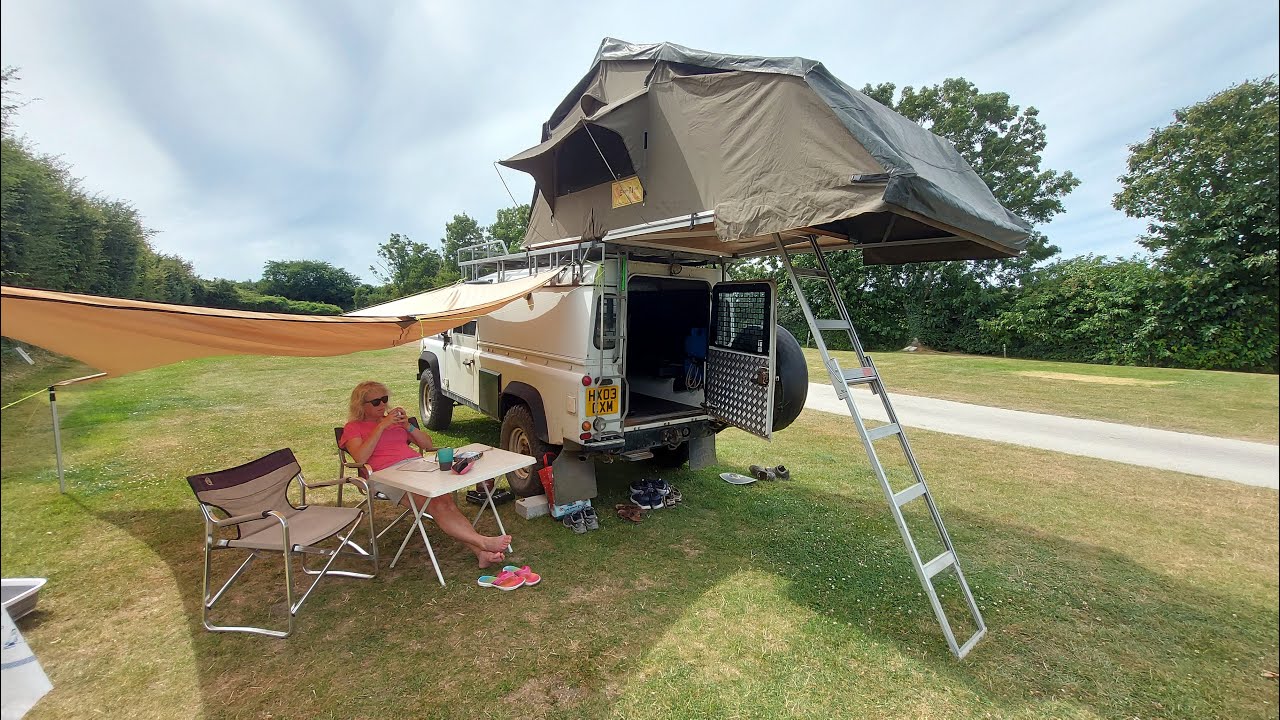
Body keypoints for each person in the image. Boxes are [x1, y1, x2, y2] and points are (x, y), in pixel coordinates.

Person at [339, 381, 511, 568]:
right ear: (361, 406)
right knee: (436, 504)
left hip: (415, 467)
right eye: (376, 402)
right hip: (384, 475)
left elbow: (428, 445)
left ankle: (481, 553)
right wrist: (380, 427)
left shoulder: (395, 423)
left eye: (384, 399)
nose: (382, 405)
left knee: (445, 502)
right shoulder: (353, 428)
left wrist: (408, 427)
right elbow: (360, 457)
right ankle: (483, 543)